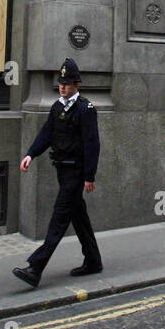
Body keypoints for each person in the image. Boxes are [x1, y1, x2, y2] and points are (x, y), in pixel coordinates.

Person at [12, 58, 102, 288]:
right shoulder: (57, 107)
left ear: (77, 85)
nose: (63, 86)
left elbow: (92, 145)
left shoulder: (85, 109)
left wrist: (89, 176)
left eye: (68, 83)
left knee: (59, 218)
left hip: (76, 171)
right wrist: (30, 154)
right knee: (78, 216)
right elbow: (46, 134)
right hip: (61, 169)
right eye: (61, 82)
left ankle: (36, 268)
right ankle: (93, 260)